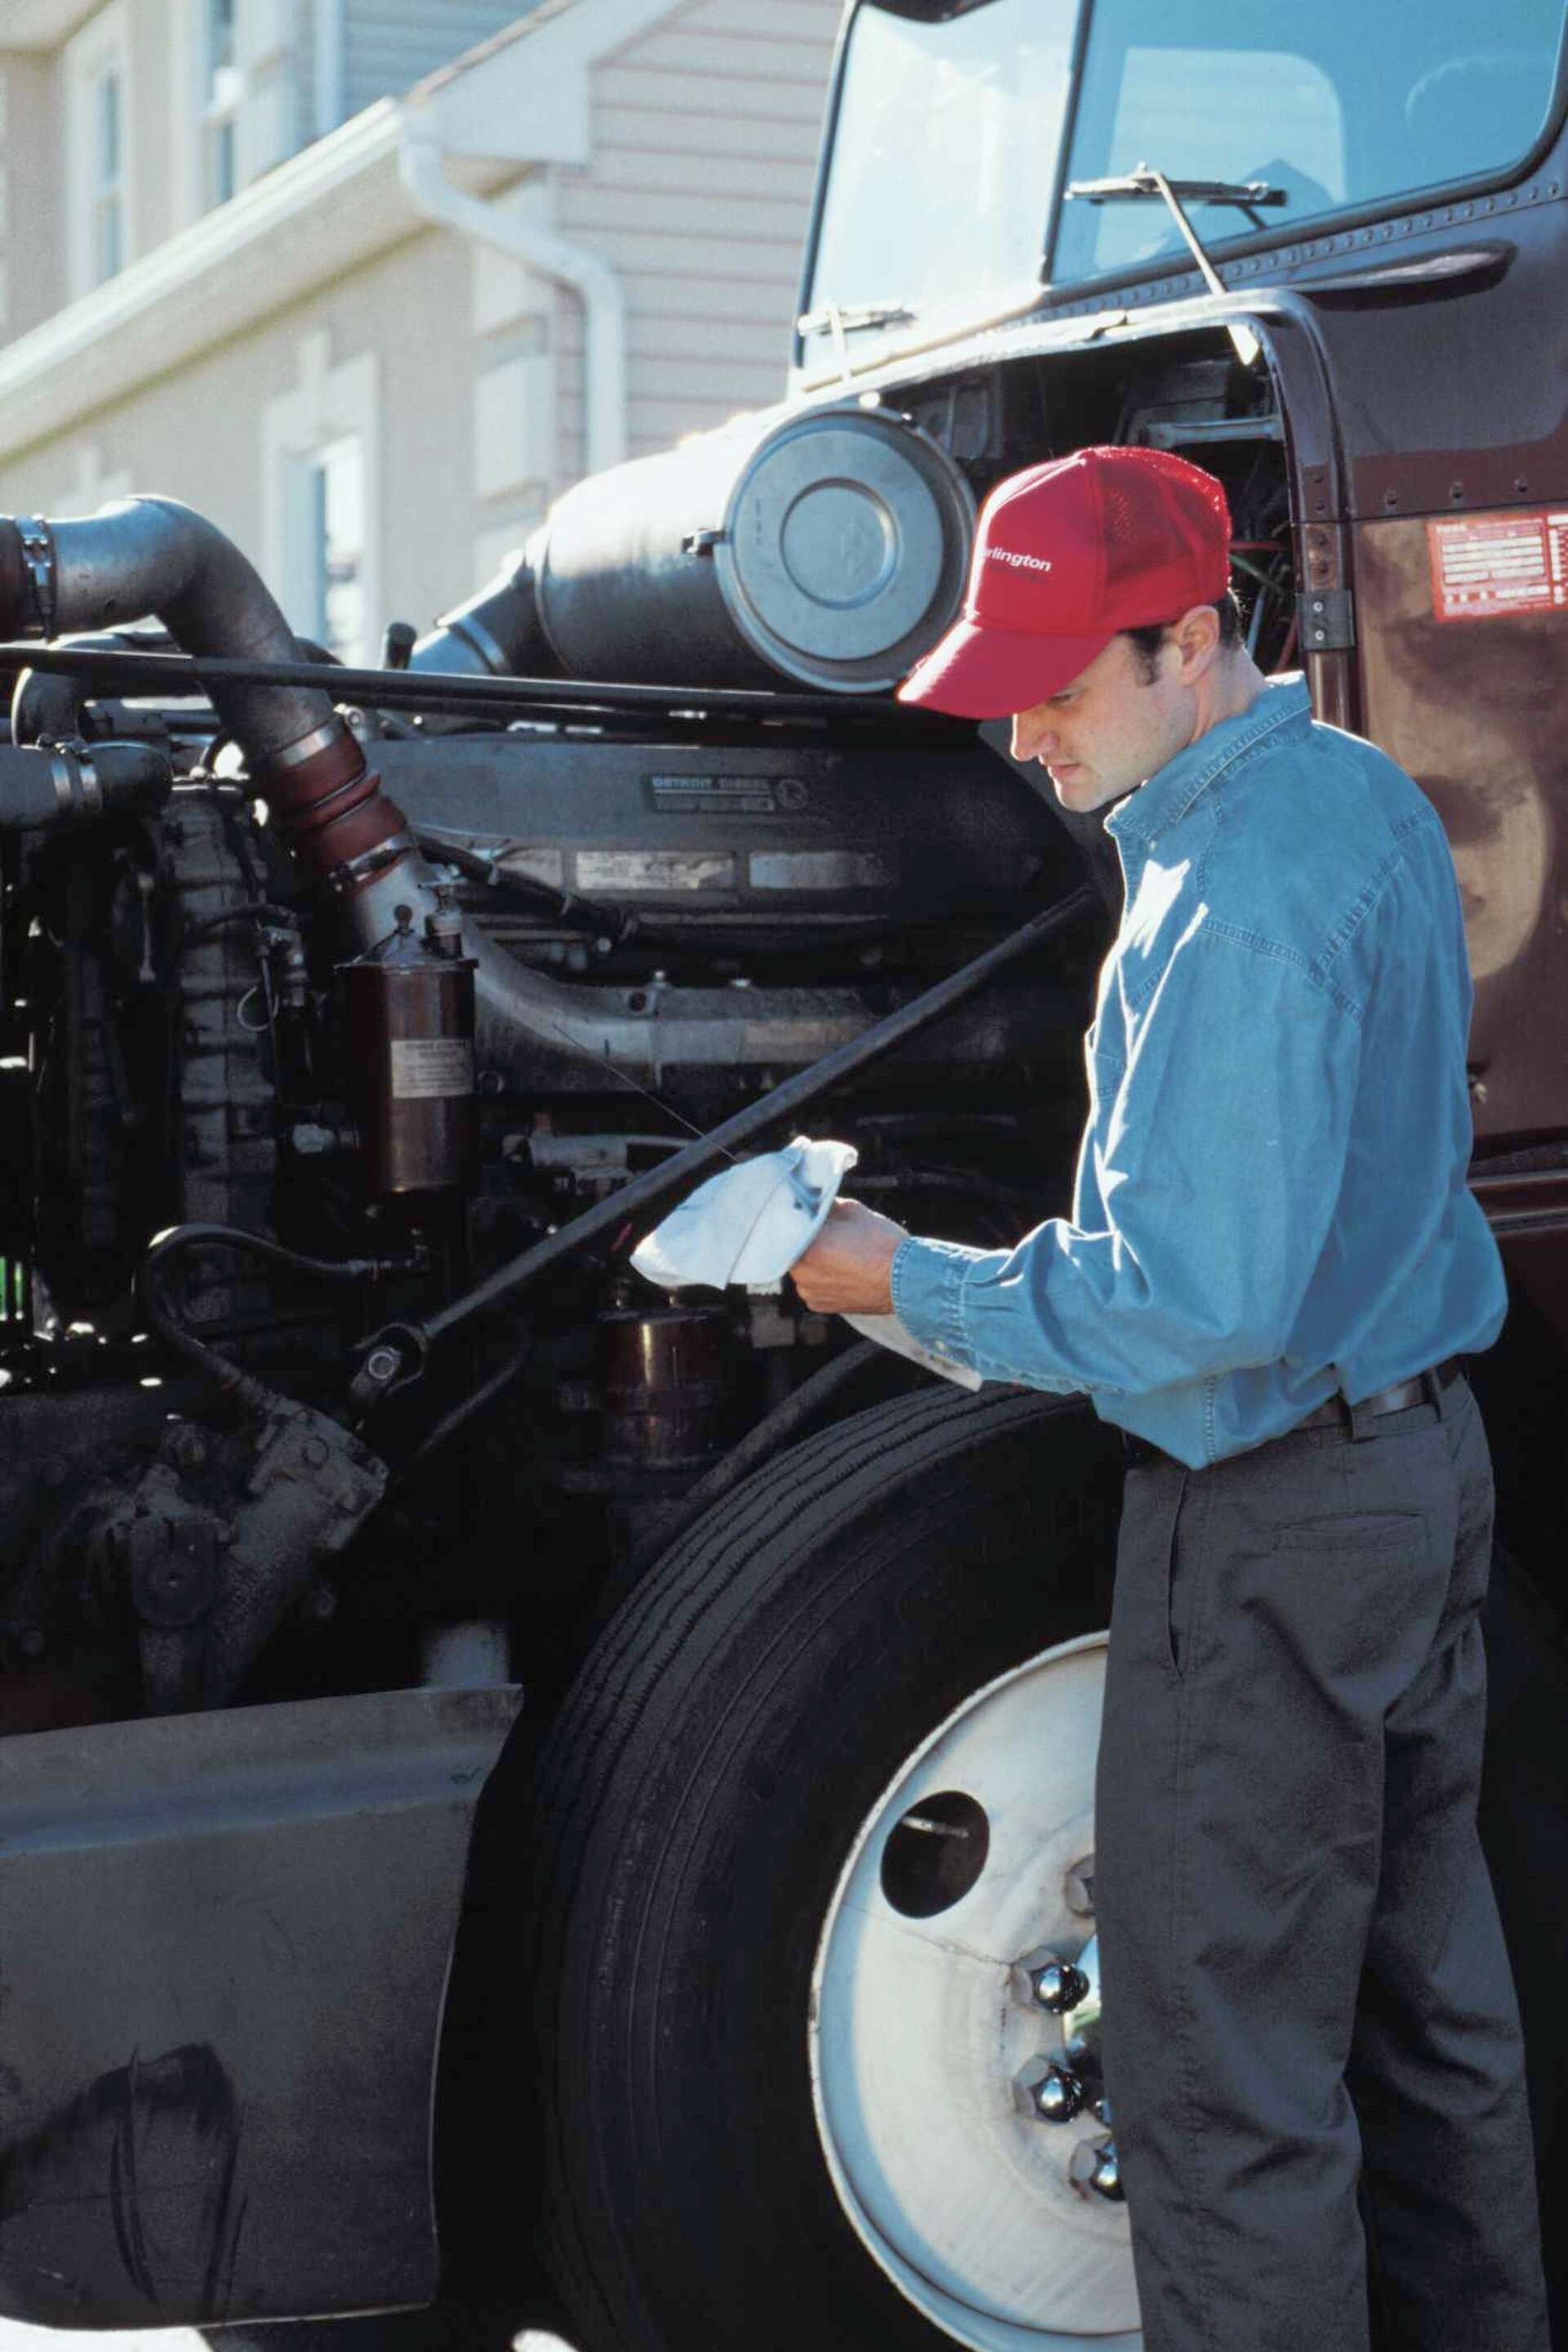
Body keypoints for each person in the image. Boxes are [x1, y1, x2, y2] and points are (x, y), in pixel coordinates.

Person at [789, 445, 1551, 2352]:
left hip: (1276, 1520)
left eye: (1061, 685)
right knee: (1430, 2016)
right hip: (1421, 1475)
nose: (1027, 741)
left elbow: (1190, 1308)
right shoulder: (1359, 793)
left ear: (1196, 638)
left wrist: (883, 1274)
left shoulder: (1223, 894)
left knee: (1224, 2087)